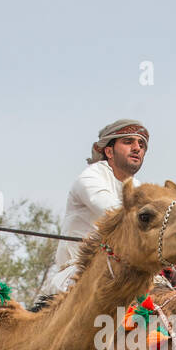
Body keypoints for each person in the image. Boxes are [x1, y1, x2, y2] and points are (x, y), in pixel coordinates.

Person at [39, 119, 149, 297]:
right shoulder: (90, 178)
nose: (137, 148)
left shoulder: (137, 187)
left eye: (141, 144)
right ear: (109, 151)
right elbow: (116, 214)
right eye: (128, 142)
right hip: (79, 272)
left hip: (124, 269)